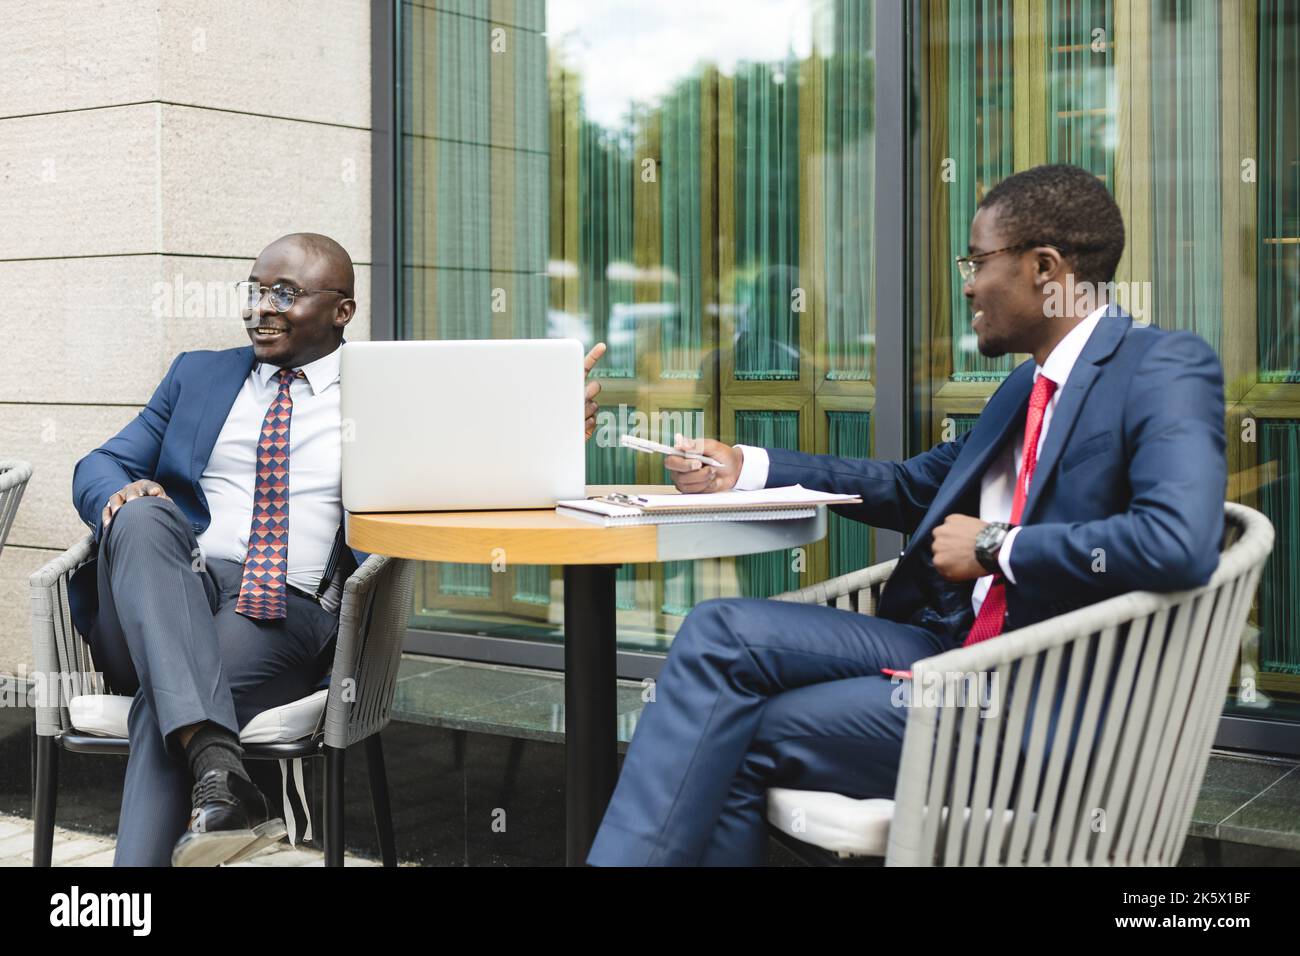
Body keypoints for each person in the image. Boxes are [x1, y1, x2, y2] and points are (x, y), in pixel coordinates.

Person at [586, 163, 1228, 866]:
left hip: (1031, 700)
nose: (967, 284)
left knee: (740, 732)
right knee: (718, 630)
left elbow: (1180, 541)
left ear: (1045, 268)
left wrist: (995, 546)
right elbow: (910, 486)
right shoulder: (1023, 387)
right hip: (946, 650)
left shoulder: (1161, 366)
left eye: (978, 262)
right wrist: (747, 467)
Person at [69, 232, 606, 866]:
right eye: (255, 291)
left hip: (277, 609)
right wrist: (122, 495)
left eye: (285, 293)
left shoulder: (382, 394)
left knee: (168, 699)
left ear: (341, 310)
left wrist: (543, 432)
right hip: (166, 590)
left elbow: (469, 477)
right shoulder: (198, 374)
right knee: (141, 516)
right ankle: (219, 769)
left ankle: (174, 836)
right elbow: (100, 463)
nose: (260, 308)